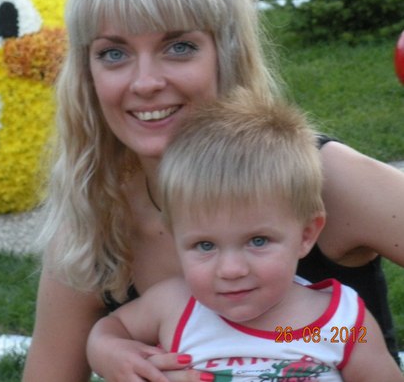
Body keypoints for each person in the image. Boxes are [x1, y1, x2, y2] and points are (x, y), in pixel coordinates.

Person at [22, 0, 404, 381]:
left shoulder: (320, 179)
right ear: (87, 74)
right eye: (114, 53)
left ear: (227, 52)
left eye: (179, 47)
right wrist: (110, 349)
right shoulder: (96, 217)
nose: (145, 82)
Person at [86, 90, 404, 381]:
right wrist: (108, 351)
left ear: (306, 235)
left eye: (258, 241)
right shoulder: (174, 304)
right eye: (205, 245)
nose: (231, 270)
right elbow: (112, 328)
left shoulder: (339, 325)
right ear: (175, 239)